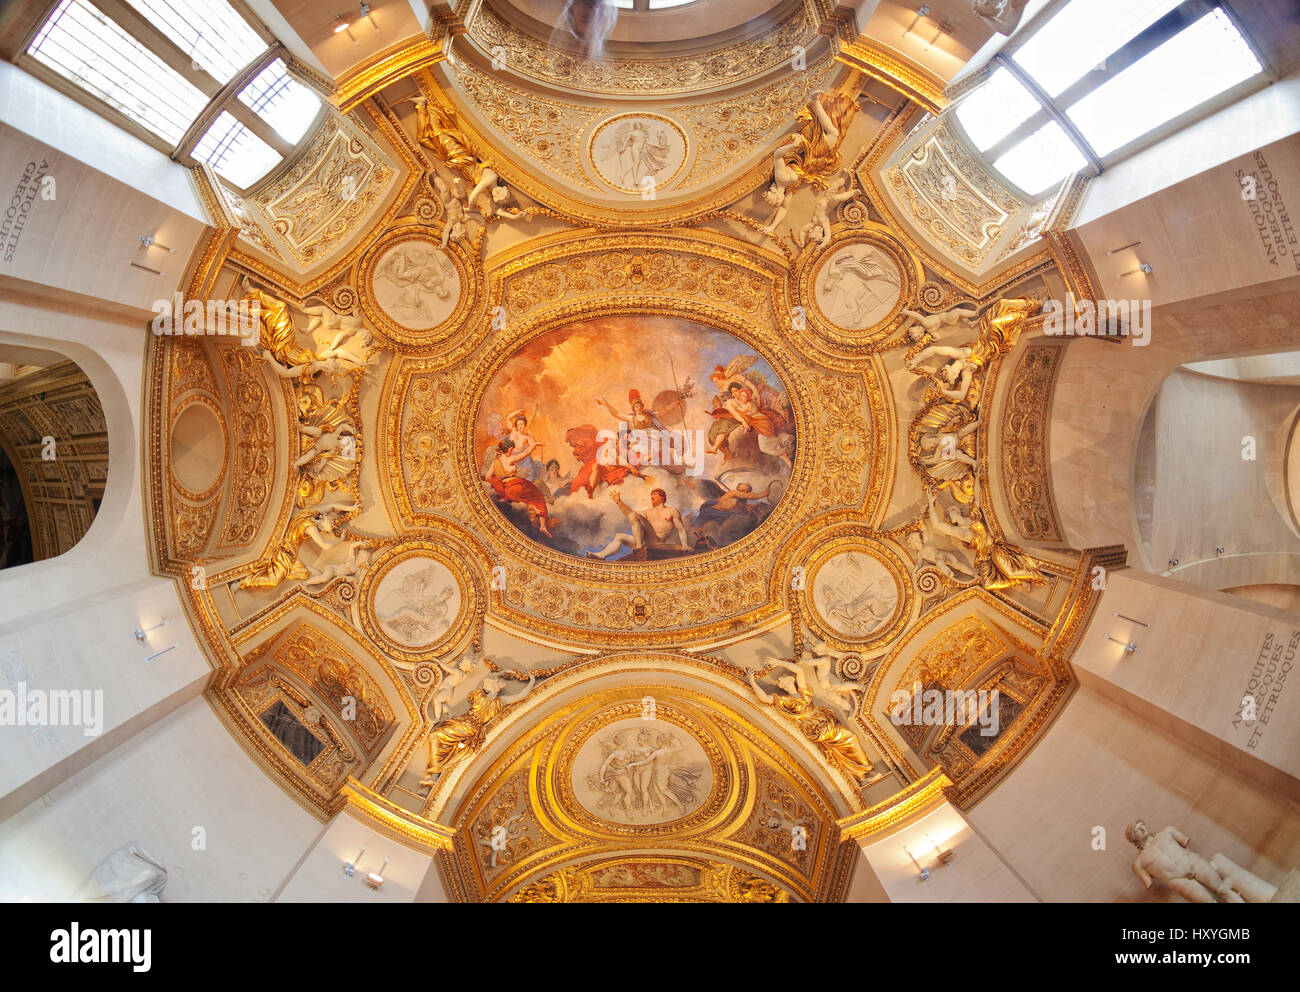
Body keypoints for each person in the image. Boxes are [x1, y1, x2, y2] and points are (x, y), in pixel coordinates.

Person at [586, 487, 691, 560]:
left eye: (654, 494)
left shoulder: (672, 511)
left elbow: (681, 529)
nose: (652, 497)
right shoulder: (648, 512)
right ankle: (602, 555)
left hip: (657, 542)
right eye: (651, 495)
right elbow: (630, 513)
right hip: (644, 542)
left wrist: (685, 545)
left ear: (662, 497)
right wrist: (619, 502)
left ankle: (639, 546)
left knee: (634, 516)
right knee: (620, 536)